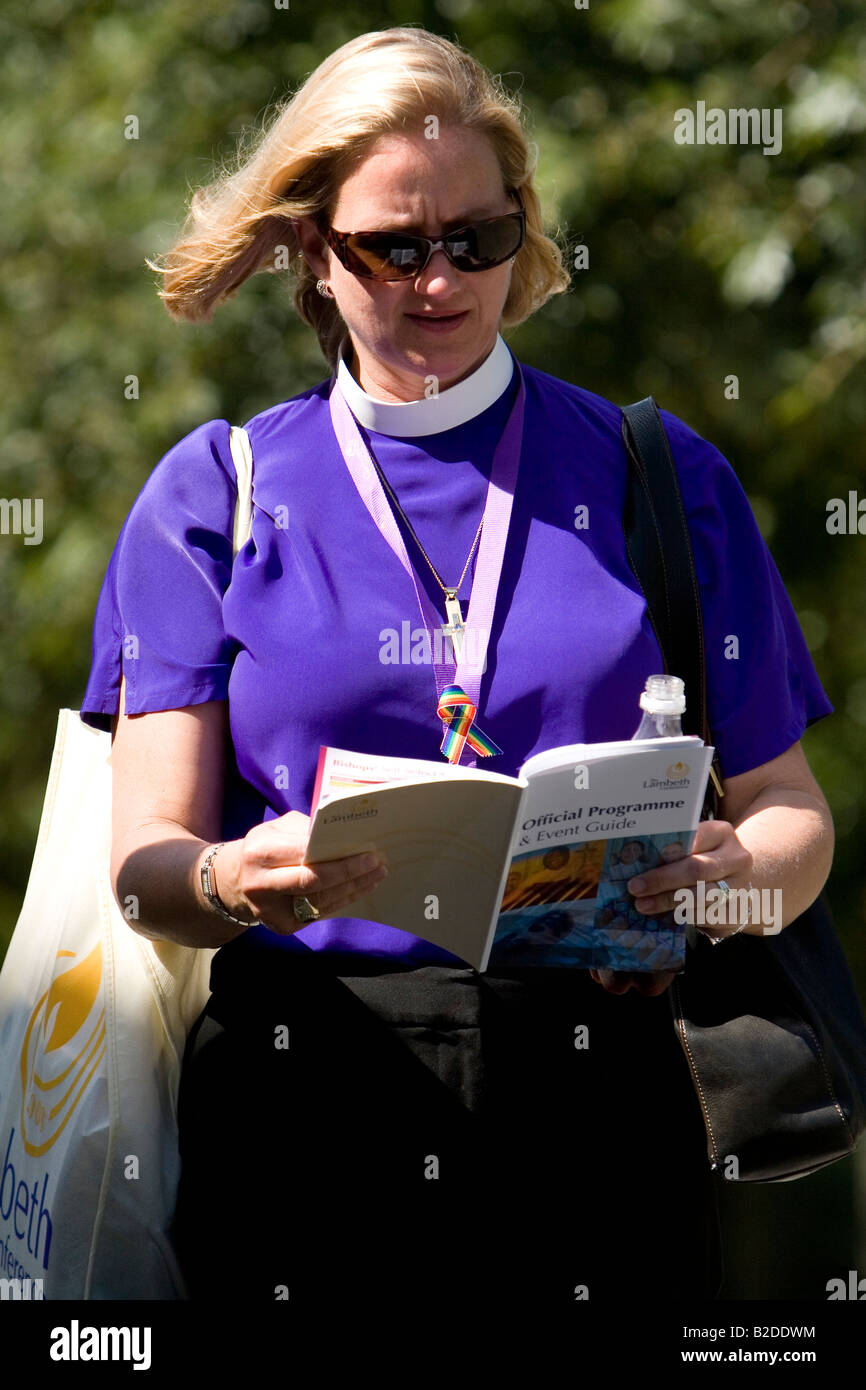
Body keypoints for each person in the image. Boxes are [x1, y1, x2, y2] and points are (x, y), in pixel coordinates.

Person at [79, 27, 834, 1309]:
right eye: (395, 246)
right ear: (313, 250)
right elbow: (146, 872)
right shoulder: (213, 491)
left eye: (476, 240)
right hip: (303, 1101)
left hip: (600, 1110)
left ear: (520, 234)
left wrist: (729, 882)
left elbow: (793, 816)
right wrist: (227, 874)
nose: (441, 281)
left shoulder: (661, 474)